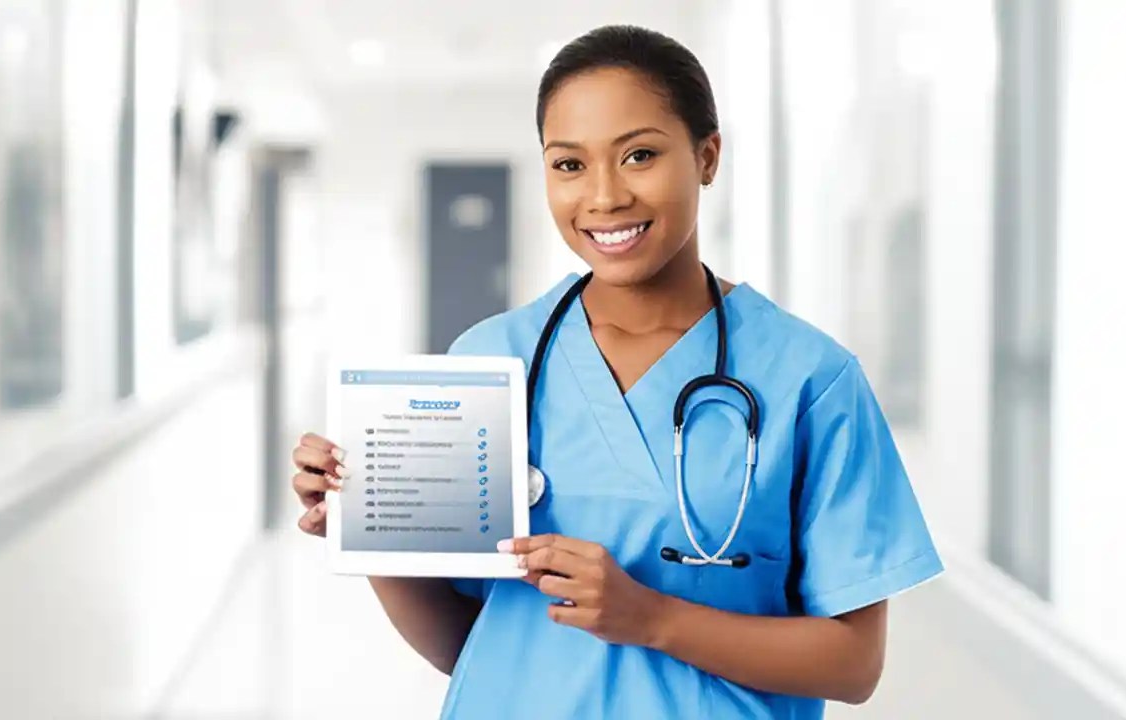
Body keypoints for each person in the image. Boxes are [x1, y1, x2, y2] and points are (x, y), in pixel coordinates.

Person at [290, 24, 942, 719]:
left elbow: (853, 665)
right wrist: (367, 529)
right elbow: (472, 644)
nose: (603, 197)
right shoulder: (488, 360)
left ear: (707, 156)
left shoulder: (809, 380)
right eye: (569, 165)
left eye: (638, 155)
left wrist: (651, 617)